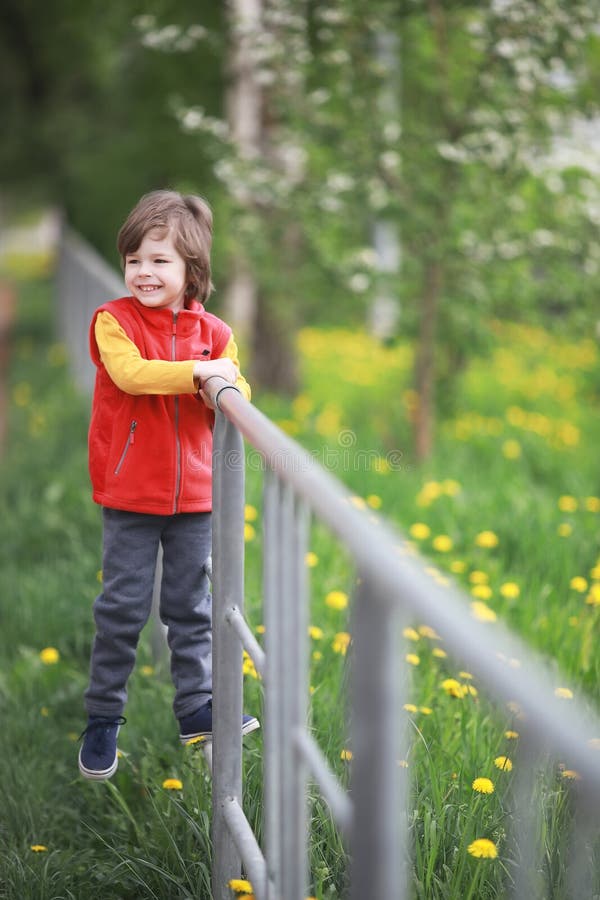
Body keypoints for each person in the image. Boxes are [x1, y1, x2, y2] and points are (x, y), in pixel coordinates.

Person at [78, 189, 259, 781]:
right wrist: (198, 373)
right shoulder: (114, 322)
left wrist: (224, 383)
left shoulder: (217, 333)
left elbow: (238, 391)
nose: (143, 272)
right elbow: (131, 376)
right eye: (134, 259)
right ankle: (103, 716)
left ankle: (198, 710)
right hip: (132, 494)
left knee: (190, 606)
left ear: (191, 270)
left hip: (196, 499)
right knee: (123, 608)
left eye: (159, 261)